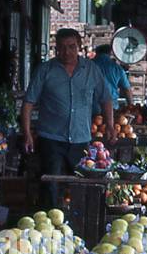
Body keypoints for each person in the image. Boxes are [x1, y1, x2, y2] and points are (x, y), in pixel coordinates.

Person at [22, 28, 114, 207]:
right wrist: (27, 133)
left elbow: (106, 98)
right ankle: (49, 225)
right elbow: (28, 102)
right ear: (56, 49)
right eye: (62, 48)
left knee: (81, 185)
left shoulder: (90, 69)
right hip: (51, 138)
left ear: (79, 46)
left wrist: (110, 125)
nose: (67, 52)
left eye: (71, 47)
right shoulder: (46, 70)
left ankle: (78, 225)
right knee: (51, 184)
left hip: (80, 139)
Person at [92, 44, 132, 109]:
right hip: (111, 106)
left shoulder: (88, 65)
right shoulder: (117, 68)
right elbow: (127, 90)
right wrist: (131, 106)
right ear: (110, 53)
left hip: (92, 106)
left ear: (96, 53)